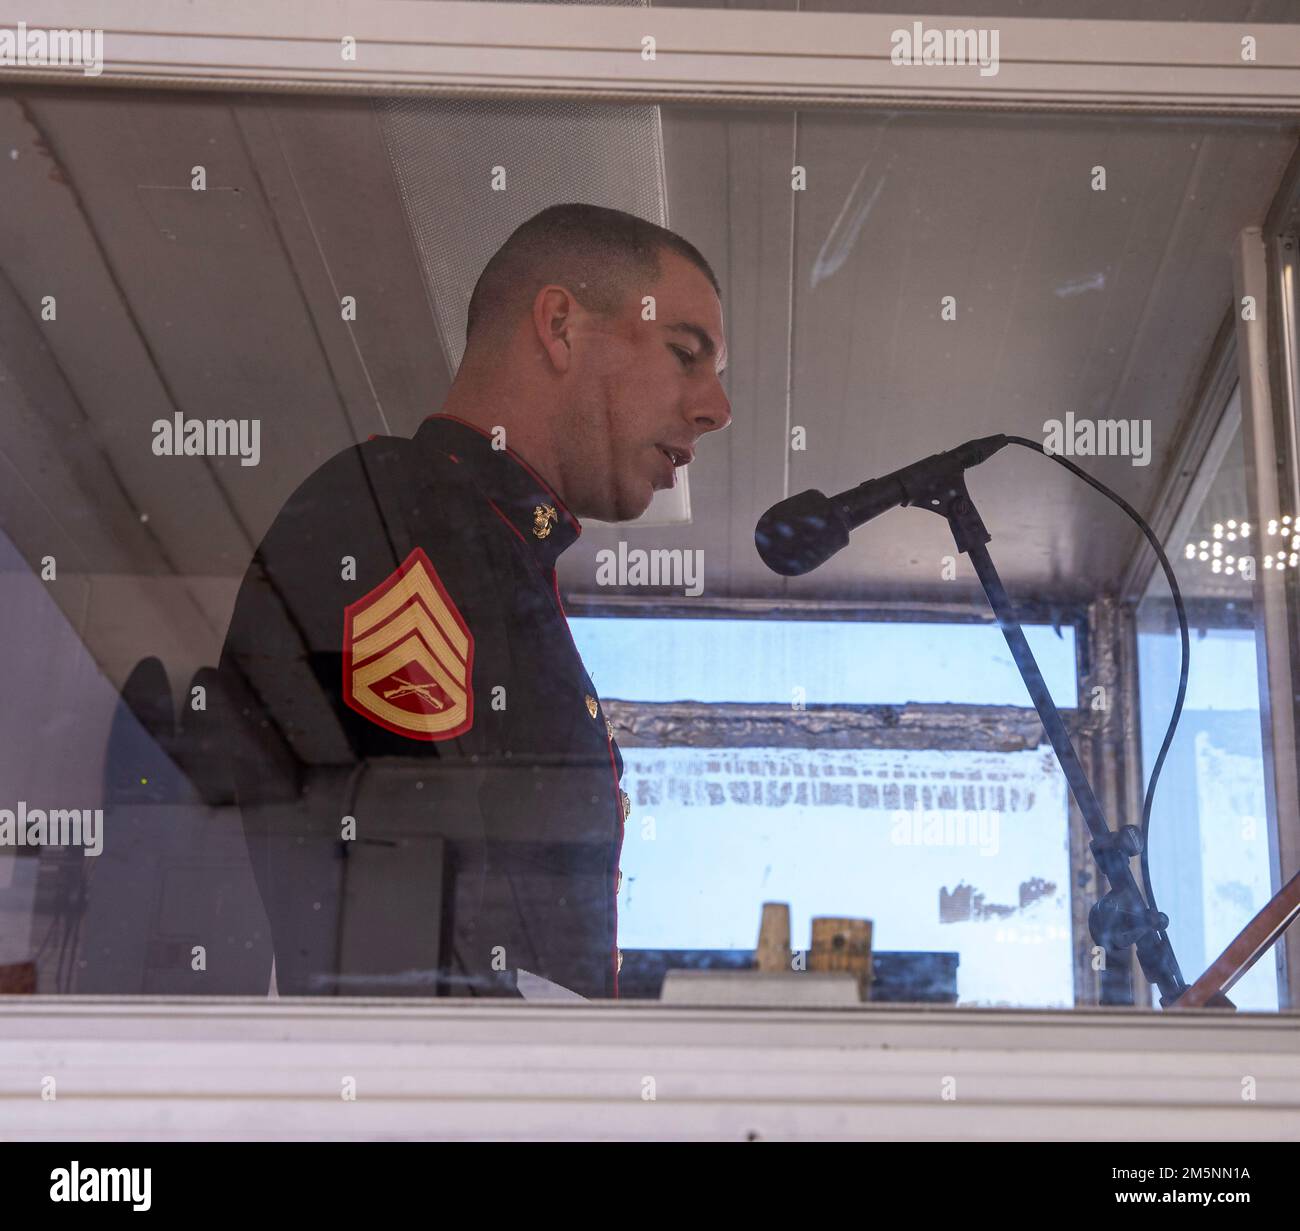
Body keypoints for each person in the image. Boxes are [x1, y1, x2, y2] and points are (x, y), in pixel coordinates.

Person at [217, 203, 731, 999]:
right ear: (560, 326)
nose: (715, 408)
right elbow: (395, 913)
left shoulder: (495, 550)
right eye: (685, 353)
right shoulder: (397, 509)